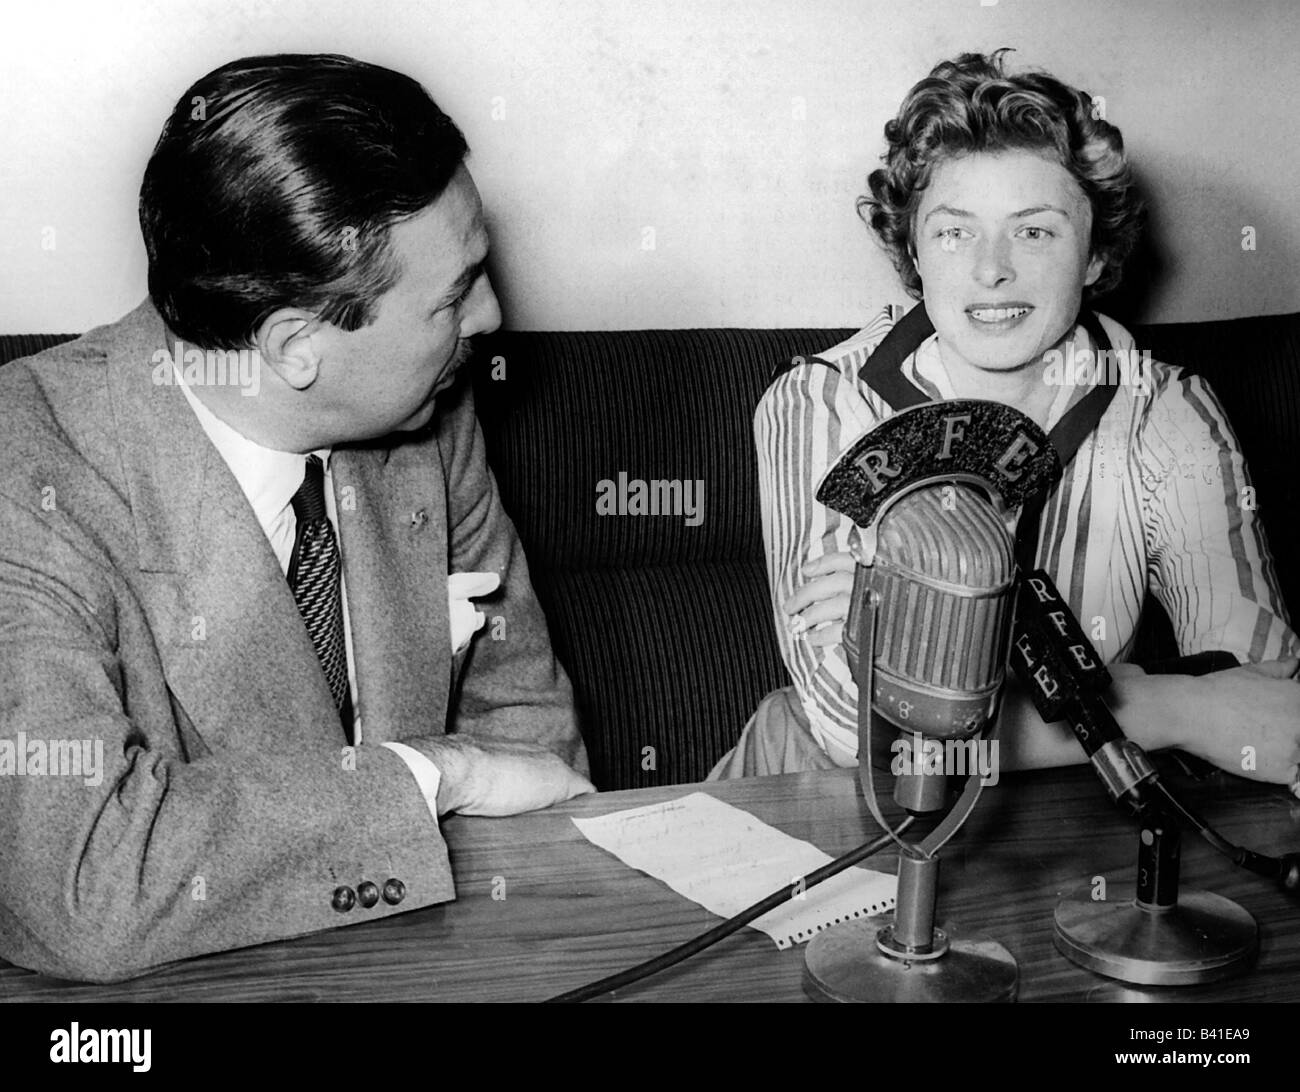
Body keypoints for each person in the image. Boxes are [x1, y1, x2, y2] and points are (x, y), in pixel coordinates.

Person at [0, 54, 594, 983]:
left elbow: (534, 746)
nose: (492, 315)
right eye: (453, 295)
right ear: (295, 345)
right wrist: (442, 776)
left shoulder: (429, 413)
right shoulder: (25, 468)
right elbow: (87, 890)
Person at [712, 50, 1300, 784]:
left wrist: (919, 628)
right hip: (804, 805)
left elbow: (1264, 703)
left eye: (1035, 231)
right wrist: (1177, 710)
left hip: (1064, 820)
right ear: (914, 250)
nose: (991, 269)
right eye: (956, 231)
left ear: (1092, 257)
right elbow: (853, 728)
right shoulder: (822, 398)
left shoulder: (1163, 406)